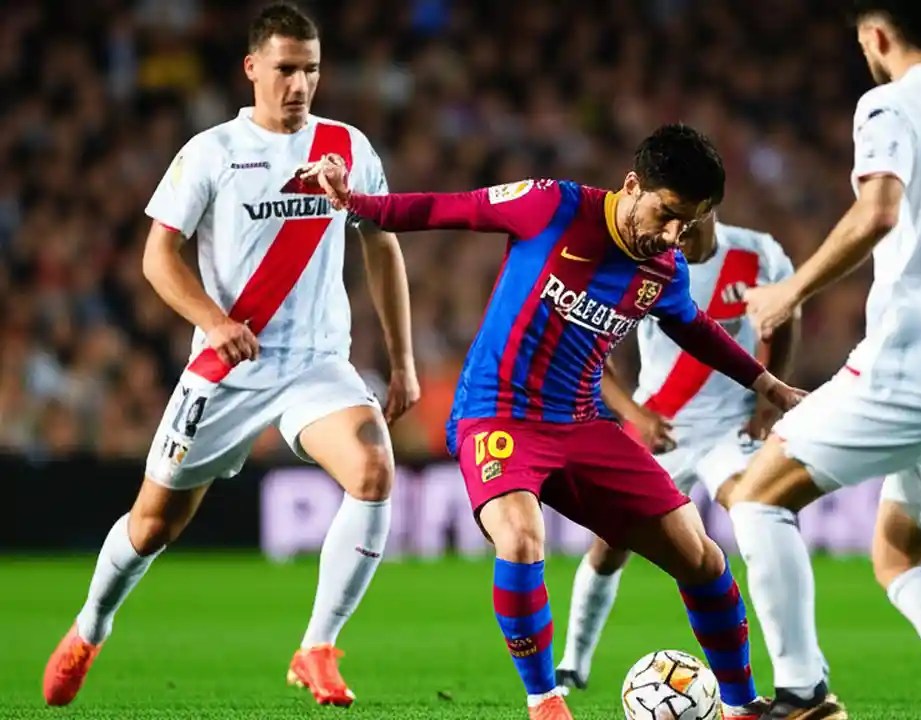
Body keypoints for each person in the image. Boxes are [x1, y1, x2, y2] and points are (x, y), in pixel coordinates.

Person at [304, 124, 804, 720]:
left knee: (702, 558)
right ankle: (545, 701)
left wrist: (769, 386)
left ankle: (741, 705)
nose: (672, 236)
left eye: (688, 225)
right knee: (519, 535)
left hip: (582, 425)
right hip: (498, 415)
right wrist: (354, 202)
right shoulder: (553, 206)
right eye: (667, 214)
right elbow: (447, 209)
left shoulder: (663, 270)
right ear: (631, 186)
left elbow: (695, 328)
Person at [41, 2, 419, 708]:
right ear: (252, 69)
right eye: (285, 69)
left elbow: (381, 244)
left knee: (372, 469)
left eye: (310, 69)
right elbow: (158, 256)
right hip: (230, 367)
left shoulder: (348, 146)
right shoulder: (211, 152)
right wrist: (212, 322)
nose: (299, 84)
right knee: (155, 523)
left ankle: (317, 647)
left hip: (316, 364)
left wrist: (402, 361)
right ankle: (90, 627)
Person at [726, 1, 921, 718]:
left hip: (911, 369)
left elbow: (877, 211)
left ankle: (803, 692)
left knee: (756, 497)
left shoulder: (888, 104)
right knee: (904, 560)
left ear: (874, 37)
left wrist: (788, 292)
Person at [553, 212, 800, 694]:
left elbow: (788, 313)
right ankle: (573, 663)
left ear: (708, 205)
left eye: (684, 209)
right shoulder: (645, 261)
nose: (674, 222)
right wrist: (636, 415)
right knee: (609, 546)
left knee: (755, 512)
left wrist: (767, 402)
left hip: (730, 430)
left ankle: (795, 671)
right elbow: (590, 354)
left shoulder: (758, 252)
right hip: (660, 428)